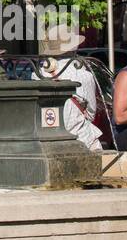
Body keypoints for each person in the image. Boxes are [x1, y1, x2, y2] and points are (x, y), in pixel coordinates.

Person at [39, 23, 104, 151]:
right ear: (73, 48)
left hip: (47, 137)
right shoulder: (82, 74)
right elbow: (90, 112)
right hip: (80, 137)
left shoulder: (38, 74)